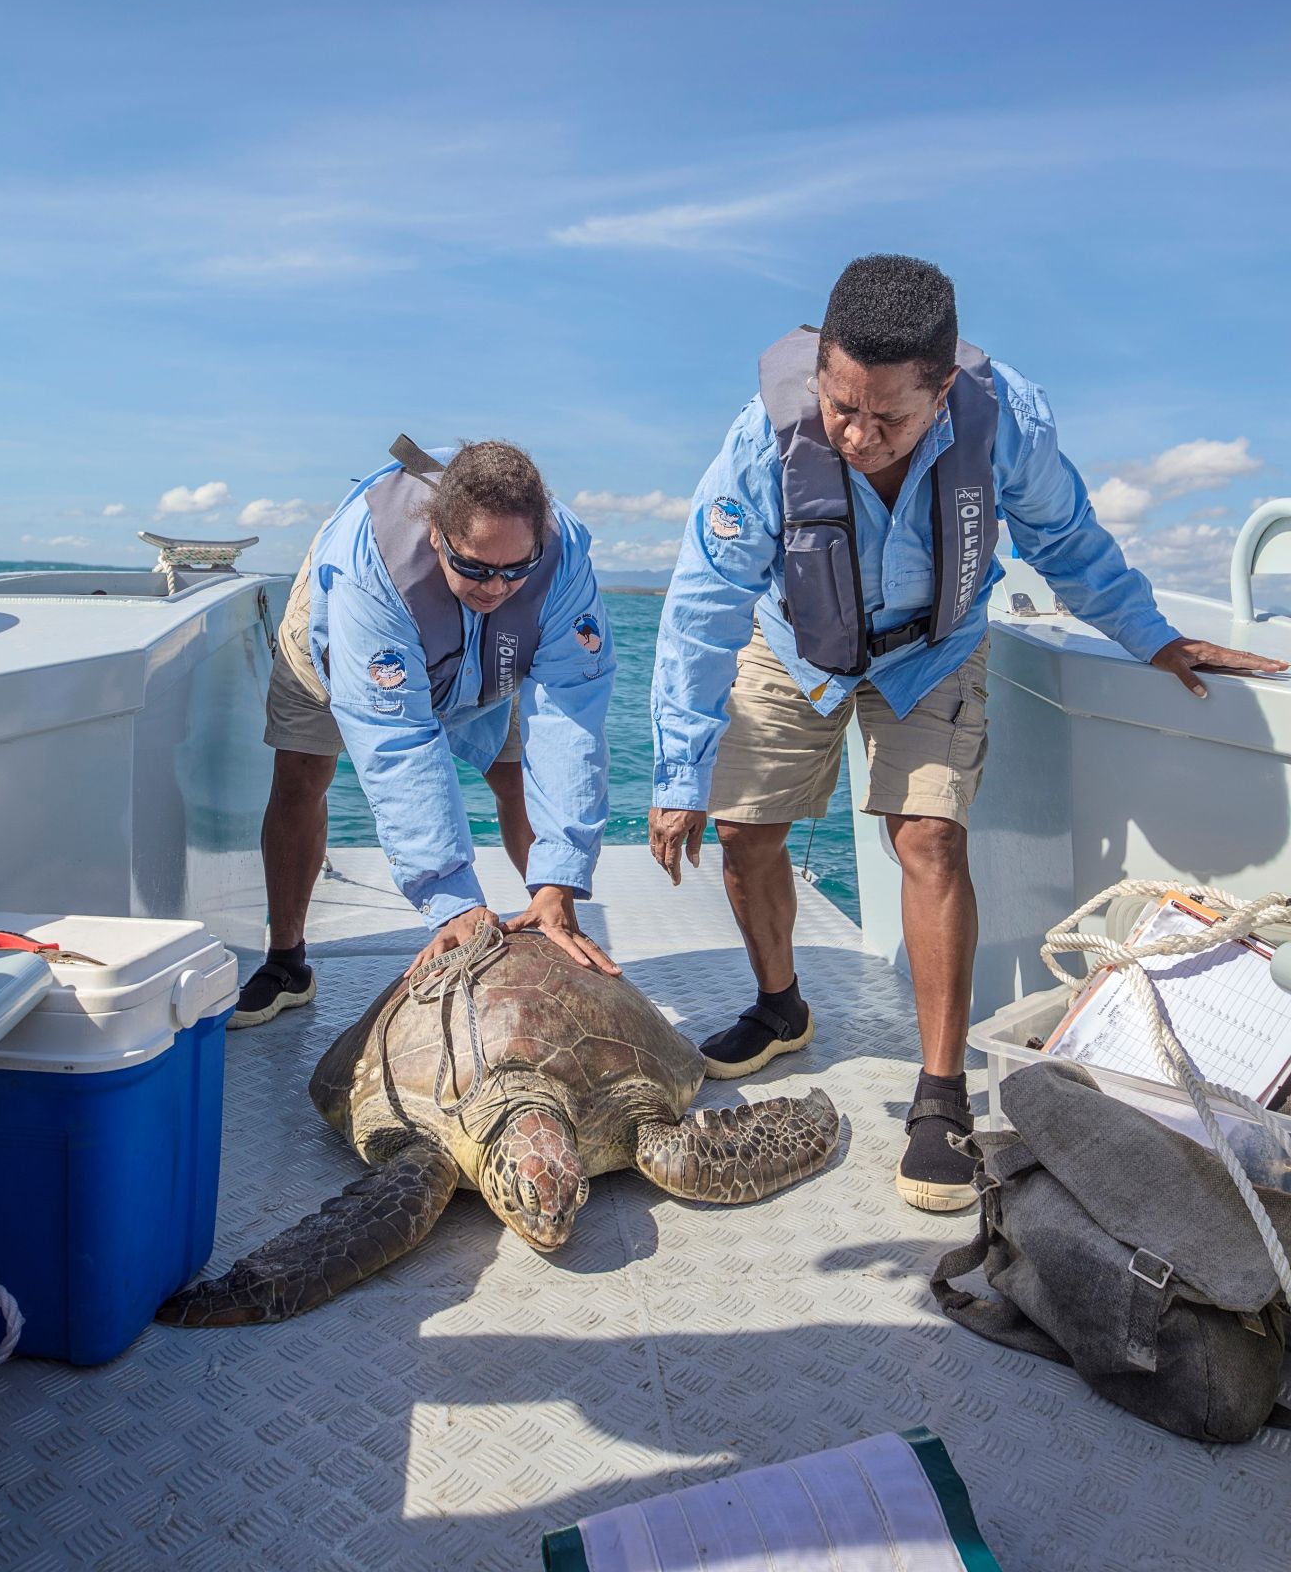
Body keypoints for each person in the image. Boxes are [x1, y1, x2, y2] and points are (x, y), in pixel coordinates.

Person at [648, 254, 1286, 1212]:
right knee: (744, 832)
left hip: (934, 648)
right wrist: (676, 775)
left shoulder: (1006, 420)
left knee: (931, 839)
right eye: (840, 407)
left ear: (942, 390)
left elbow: (1066, 540)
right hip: (794, 640)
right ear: (820, 373)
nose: (858, 436)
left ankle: (941, 1093)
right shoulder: (760, 442)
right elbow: (702, 606)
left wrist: (1154, 638)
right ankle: (780, 1005)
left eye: (890, 418)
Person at [232, 436, 619, 1028]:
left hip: (493, 657)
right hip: (345, 640)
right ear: (437, 533)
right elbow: (396, 741)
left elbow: (571, 715)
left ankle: (553, 916)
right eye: (475, 567)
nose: (495, 588)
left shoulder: (562, 560)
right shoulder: (367, 570)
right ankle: (286, 962)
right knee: (302, 772)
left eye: (516, 570)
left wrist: (563, 875)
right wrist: (452, 898)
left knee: (516, 778)